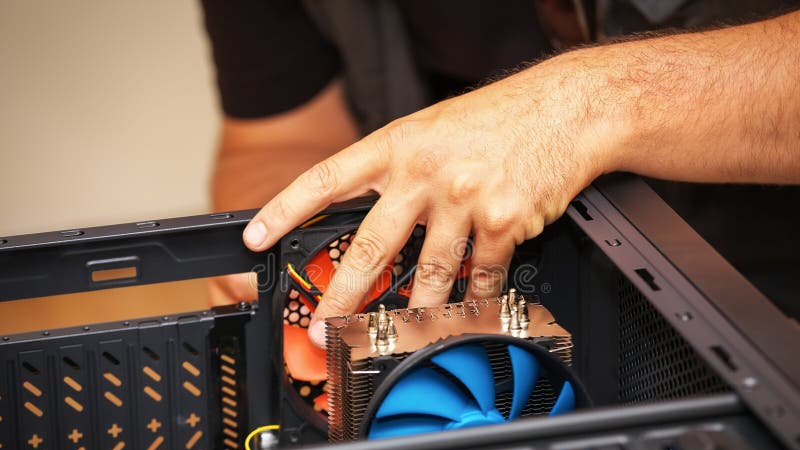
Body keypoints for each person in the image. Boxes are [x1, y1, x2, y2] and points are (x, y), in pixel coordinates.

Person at [201, 2, 800, 348]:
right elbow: (281, 135)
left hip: (763, 306)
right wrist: (297, 253)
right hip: (489, 341)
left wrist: (587, 104)